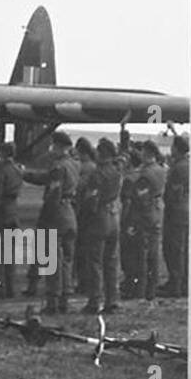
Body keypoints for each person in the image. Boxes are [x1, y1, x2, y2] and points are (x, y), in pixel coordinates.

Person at [23, 130, 79, 313]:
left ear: (59, 147)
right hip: (69, 213)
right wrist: (27, 175)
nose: (51, 149)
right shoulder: (73, 164)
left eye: (53, 145)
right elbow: (45, 179)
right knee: (67, 261)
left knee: (52, 260)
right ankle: (65, 299)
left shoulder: (58, 167)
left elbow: (53, 193)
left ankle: (53, 301)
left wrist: (45, 219)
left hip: (56, 216)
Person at [79, 138, 123, 313]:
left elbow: (91, 200)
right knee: (111, 262)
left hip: (99, 219)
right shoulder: (117, 171)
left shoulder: (98, 174)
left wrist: (85, 217)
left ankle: (94, 301)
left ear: (102, 153)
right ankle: (112, 300)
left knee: (95, 263)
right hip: (114, 217)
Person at [131, 139, 167, 305]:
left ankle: (141, 290)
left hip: (145, 215)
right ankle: (151, 290)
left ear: (148, 154)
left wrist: (135, 219)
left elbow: (141, 198)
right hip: (158, 212)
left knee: (142, 254)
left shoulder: (145, 174)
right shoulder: (160, 170)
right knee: (154, 253)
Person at [0, 142, 23, 297]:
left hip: (0, 214)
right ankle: (11, 288)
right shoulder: (18, 170)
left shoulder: (0, 171)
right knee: (10, 254)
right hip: (13, 211)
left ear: (2, 153)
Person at [160, 135, 189, 298]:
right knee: (183, 250)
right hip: (186, 210)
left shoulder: (178, 167)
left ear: (176, 149)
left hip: (176, 212)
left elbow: (173, 191)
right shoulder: (189, 164)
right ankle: (183, 283)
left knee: (173, 249)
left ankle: (175, 285)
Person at [71, 137, 96, 295]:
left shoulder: (83, 168)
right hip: (89, 214)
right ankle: (84, 282)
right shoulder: (93, 167)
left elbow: (79, 188)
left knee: (82, 251)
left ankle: (83, 283)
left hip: (81, 213)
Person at [119, 147, 143, 298]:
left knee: (127, 253)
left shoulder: (129, 179)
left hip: (130, 219)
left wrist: (123, 220)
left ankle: (129, 284)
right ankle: (135, 283)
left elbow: (127, 202)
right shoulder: (140, 175)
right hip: (141, 218)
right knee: (137, 252)